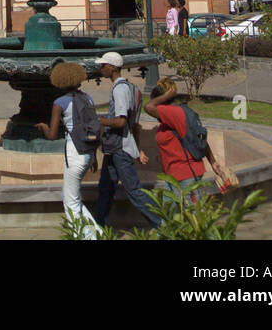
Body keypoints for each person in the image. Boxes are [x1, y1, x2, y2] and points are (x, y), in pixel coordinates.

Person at [92, 52, 161, 230]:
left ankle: (163, 225)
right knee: (105, 188)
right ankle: (98, 228)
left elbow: (121, 121)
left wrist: (98, 120)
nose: (101, 68)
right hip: (114, 147)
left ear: (113, 67)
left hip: (119, 147)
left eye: (104, 65)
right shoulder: (128, 87)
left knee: (134, 192)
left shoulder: (120, 89)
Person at [36, 61, 103, 238]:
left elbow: (51, 135)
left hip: (74, 154)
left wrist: (43, 126)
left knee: (70, 201)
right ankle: (96, 234)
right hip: (88, 152)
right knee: (72, 197)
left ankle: (84, 236)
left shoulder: (60, 103)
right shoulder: (87, 98)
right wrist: (94, 157)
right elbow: (93, 127)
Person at [145, 80, 228, 201]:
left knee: (190, 216)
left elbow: (148, 107)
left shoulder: (173, 112)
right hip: (174, 177)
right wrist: (213, 162)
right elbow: (198, 137)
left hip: (185, 176)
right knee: (171, 217)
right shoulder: (176, 114)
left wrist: (167, 95)